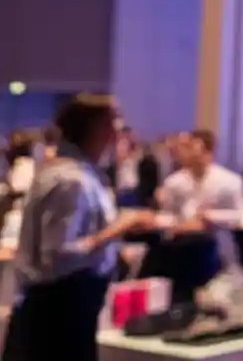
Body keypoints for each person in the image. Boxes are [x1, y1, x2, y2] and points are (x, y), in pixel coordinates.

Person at [3, 95, 154, 361]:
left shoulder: (72, 173)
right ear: (98, 130)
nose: (120, 137)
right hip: (58, 316)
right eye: (115, 127)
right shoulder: (71, 180)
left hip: (62, 311)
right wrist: (118, 228)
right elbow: (59, 255)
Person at [155, 130, 243, 301]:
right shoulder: (174, 183)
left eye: (191, 147)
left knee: (216, 299)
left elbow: (242, 214)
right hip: (182, 251)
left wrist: (211, 217)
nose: (185, 152)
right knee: (182, 300)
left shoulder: (229, 181)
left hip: (218, 250)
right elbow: (167, 215)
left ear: (208, 150)